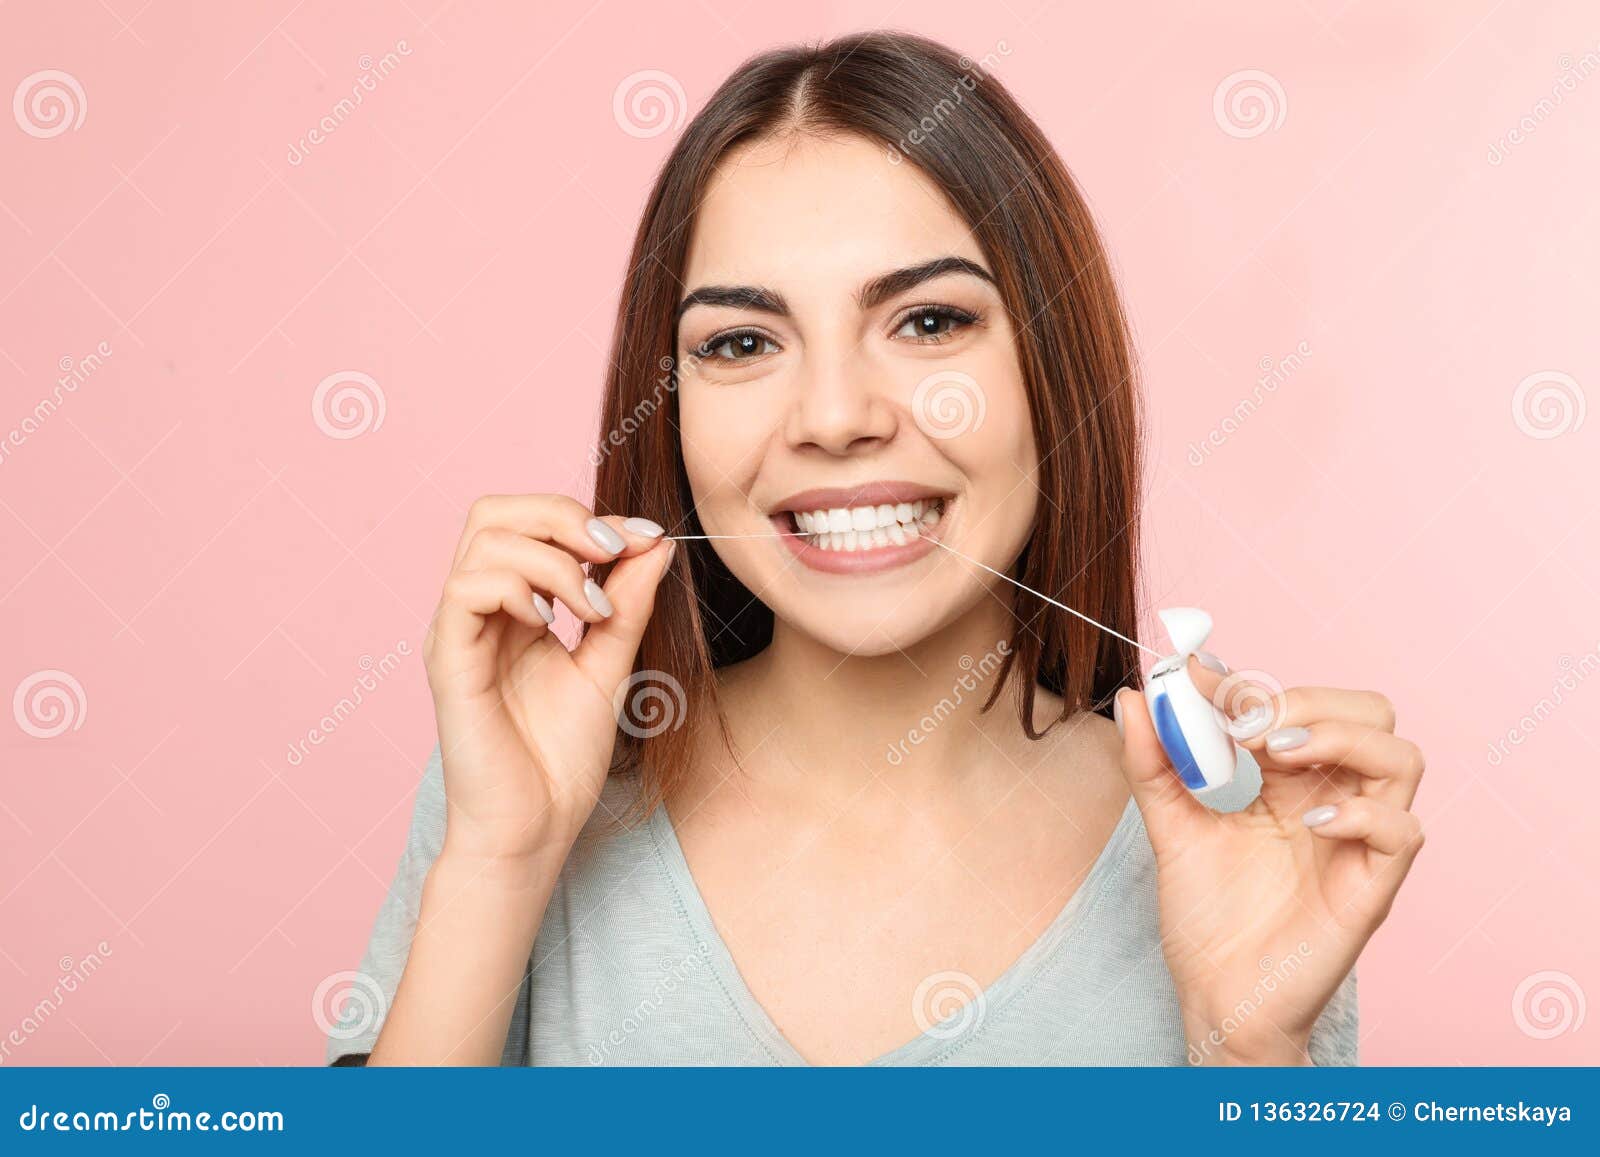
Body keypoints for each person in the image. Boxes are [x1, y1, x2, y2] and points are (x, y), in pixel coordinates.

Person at [328, 30, 1424, 1067]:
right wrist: (501, 860)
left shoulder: (1235, 842)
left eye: (929, 322)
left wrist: (1247, 1050)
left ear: (1054, 370)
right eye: (742, 342)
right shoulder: (527, 787)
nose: (835, 415)